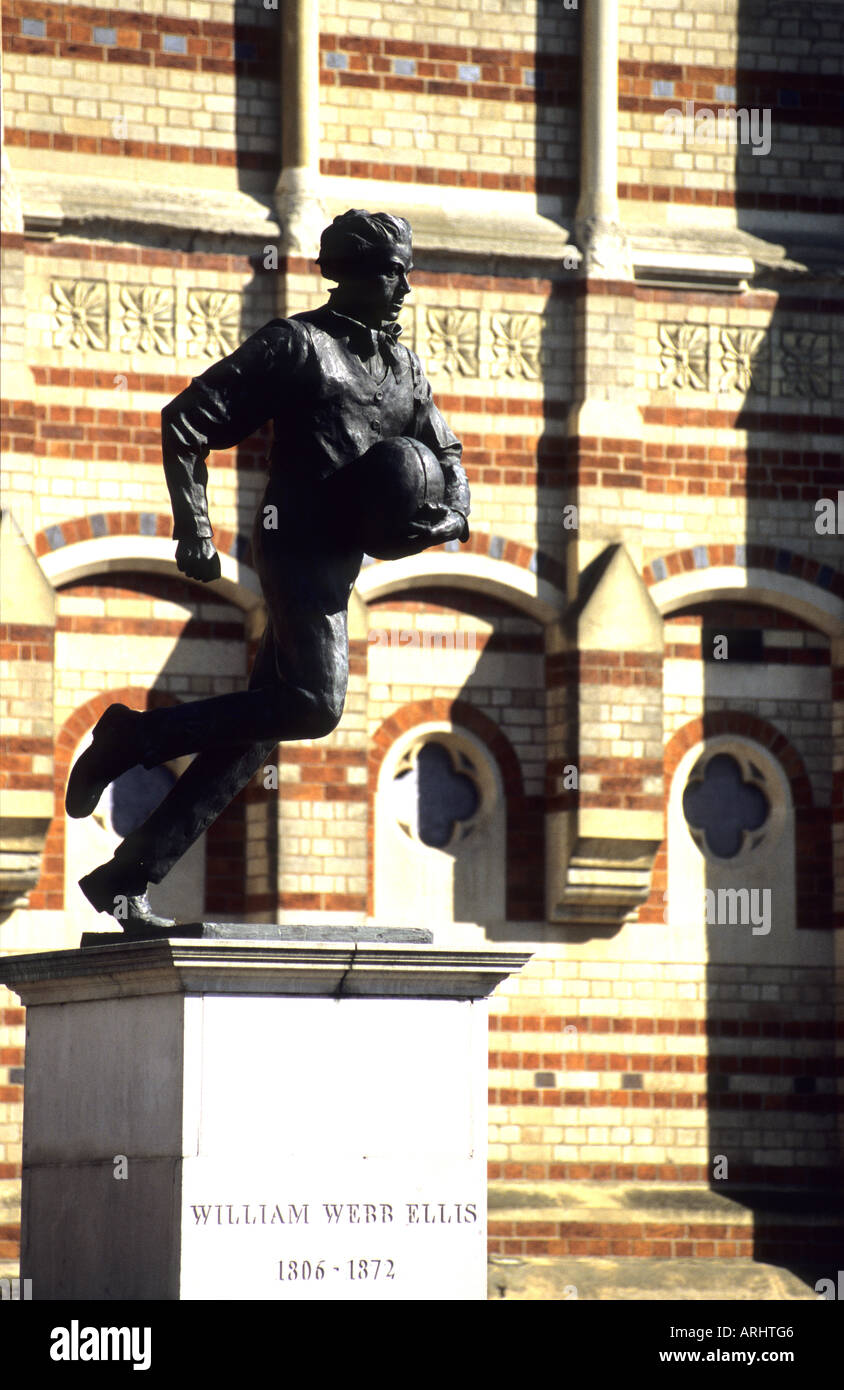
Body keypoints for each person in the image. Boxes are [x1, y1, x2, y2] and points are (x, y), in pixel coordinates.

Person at [66, 210, 470, 933]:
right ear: (345, 273)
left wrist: (449, 515)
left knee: (252, 735)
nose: (405, 284)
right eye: (388, 269)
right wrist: (194, 530)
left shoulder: (402, 365)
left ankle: (128, 876)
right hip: (293, 543)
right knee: (315, 704)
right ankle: (132, 740)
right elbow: (188, 419)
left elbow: (446, 455)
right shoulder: (299, 346)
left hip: (341, 558)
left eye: (406, 268)